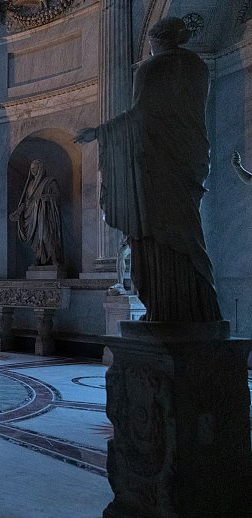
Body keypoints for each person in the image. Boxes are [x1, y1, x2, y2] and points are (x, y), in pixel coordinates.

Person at [74, 16, 220, 322]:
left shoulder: (151, 69)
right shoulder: (198, 67)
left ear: (157, 42)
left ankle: (164, 311)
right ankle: (201, 309)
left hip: (157, 166)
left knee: (153, 236)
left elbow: (138, 116)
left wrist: (99, 132)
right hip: (189, 159)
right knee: (189, 233)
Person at [9, 160, 64, 266]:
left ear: (41, 169)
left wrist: (45, 198)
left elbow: (58, 196)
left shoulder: (49, 181)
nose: (33, 170)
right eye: (31, 168)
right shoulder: (29, 184)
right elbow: (27, 202)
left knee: (46, 236)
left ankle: (53, 259)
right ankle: (39, 258)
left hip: (45, 215)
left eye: (35, 168)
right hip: (32, 216)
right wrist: (18, 211)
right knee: (36, 239)